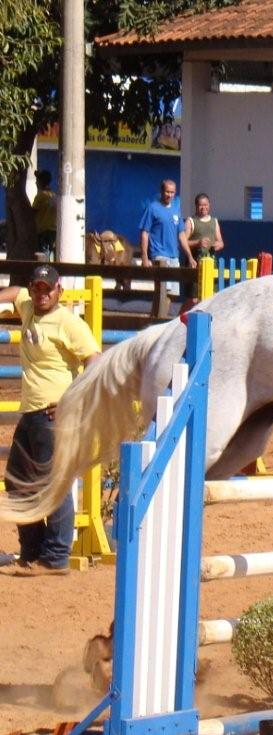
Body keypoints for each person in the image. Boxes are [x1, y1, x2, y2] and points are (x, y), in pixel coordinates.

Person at [0, 264, 100, 576]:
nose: (42, 294)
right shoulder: (28, 306)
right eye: (38, 288)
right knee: (17, 484)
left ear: (60, 291)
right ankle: (32, 551)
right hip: (31, 413)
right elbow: (14, 293)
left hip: (53, 415)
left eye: (48, 288)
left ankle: (55, 556)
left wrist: (75, 398)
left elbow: (94, 359)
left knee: (52, 484)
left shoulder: (68, 323)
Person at [140, 179, 188, 299]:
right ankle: (160, 317)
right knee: (162, 291)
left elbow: (181, 234)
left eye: (172, 192)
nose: (169, 195)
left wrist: (190, 256)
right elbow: (144, 233)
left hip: (174, 256)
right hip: (160, 254)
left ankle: (158, 316)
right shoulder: (152, 208)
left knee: (172, 294)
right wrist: (144, 257)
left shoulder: (176, 209)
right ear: (161, 191)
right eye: (167, 192)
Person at [182, 193, 224, 263]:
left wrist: (217, 245)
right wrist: (197, 243)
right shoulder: (190, 221)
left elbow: (221, 242)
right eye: (201, 205)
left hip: (211, 264)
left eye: (206, 205)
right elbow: (184, 243)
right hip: (194, 263)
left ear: (209, 205)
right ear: (196, 206)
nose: (203, 208)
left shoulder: (214, 221)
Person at [32, 170, 57, 257]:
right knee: (51, 254)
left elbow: (32, 212)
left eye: (37, 180)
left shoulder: (40, 196)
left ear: (41, 182)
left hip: (43, 232)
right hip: (53, 231)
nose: (36, 182)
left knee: (43, 255)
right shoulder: (53, 195)